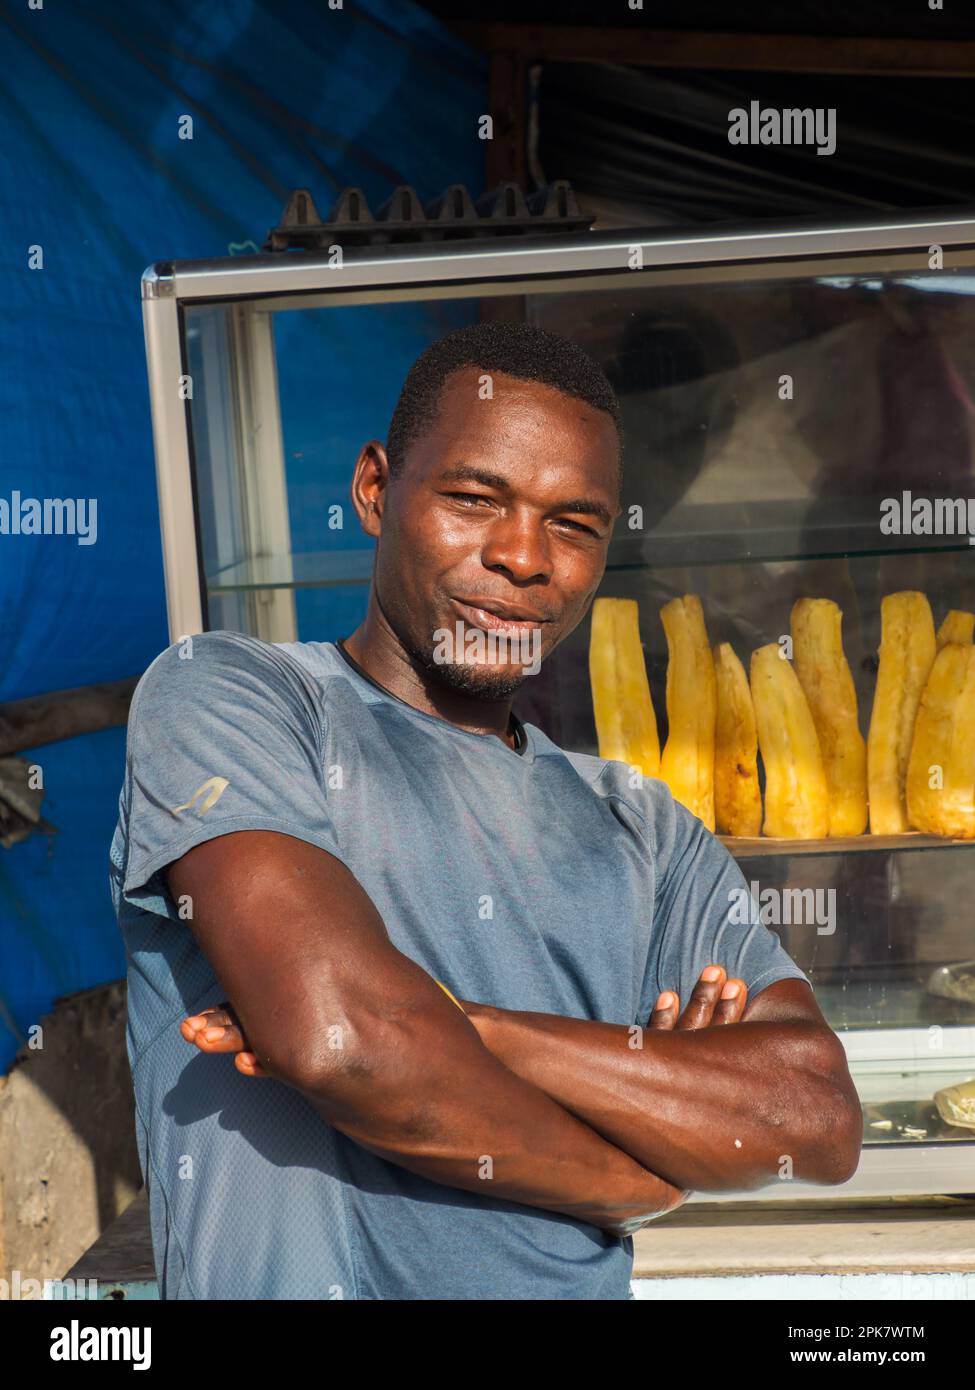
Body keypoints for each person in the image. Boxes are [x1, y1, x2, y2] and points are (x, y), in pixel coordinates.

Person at [110, 321, 861, 1301]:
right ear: (376, 489)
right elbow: (345, 1040)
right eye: (475, 499)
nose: (522, 555)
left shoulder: (645, 828)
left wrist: (468, 1026)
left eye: (574, 523)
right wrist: (641, 1174)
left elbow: (814, 1118)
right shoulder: (236, 695)